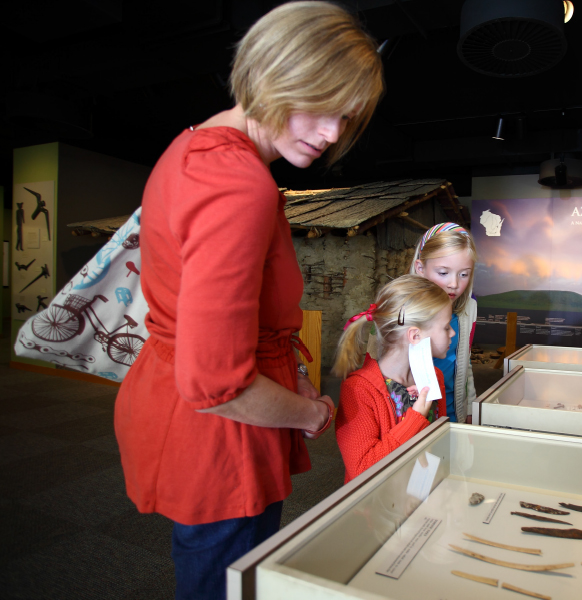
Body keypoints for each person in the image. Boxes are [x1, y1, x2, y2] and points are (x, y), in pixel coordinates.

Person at [113, 3, 383, 598]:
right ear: (274, 74)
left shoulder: (194, 147)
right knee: (227, 582)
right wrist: (312, 413)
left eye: (348, 116)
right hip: (222, 438)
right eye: (321, 104)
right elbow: (218, 385)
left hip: (193, 416)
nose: (334, 133)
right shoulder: (239, 182)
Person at [334, 275, 453, 482]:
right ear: (415, 336)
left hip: (423, 494)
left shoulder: (435, 376)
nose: (452, 333)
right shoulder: (358, 389)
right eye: (445, 327)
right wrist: (415, 420)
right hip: (375, 507)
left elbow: (438, 441)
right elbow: (363, 469)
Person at [410, 223, 479, 423]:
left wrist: (469, 406)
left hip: (452, 413)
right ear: (421, 268)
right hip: (411, 416)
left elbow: (465, 360)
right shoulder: (400, 310)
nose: (454, 284)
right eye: (443, 272)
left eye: (463, 274)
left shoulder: (468, 309)